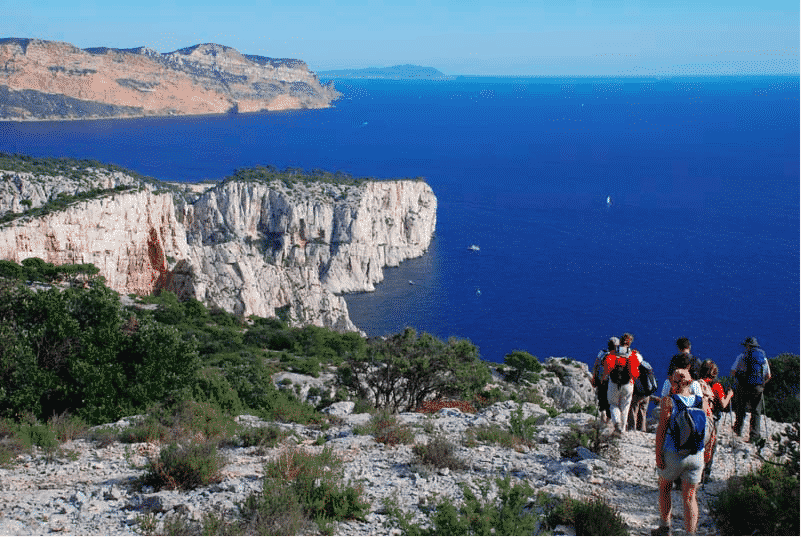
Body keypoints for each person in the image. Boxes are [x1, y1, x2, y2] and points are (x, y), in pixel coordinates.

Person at [653, 369, 712, 536]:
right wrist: (708, 451)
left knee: (665, 487)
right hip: (696, 454)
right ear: (691, 382)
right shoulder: (701, 402)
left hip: (673, 454)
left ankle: (664, 527)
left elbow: (661, 430)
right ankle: (690, 534)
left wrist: (658, 455)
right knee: (690, 497)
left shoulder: (669, 401)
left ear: (673, 383)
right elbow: (710, 428)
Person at [730, 337, 771, 443]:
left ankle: (737, 431)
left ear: (748, 346)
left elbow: (733, 371)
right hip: (758, 388)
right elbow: (768, 375)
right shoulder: (763, 357)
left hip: (743, 387)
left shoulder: (742, 356)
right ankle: (754, 436)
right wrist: (762, 384)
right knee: (756, 411)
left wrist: (738, 380)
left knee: (741, 409)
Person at [699, 359, 734, 484]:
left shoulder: (697, 383)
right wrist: (729, 395)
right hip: (711, 418)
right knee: (710, 446)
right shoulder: (716, 386)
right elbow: (723, 404)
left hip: (697, 417)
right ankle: (705, 475)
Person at [602, 333, 641, 435]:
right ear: (630, 343)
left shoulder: (613, 353)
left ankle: (617, 423)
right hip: (628, 384)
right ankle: (623, 429)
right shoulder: (633, 354)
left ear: (620, 341)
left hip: (614, 383)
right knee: (625, 407)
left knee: (613, 405)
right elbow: (638, 366)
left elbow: (607, 368)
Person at [591, 337, 618, 423]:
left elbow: (595, 366)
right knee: (611, 402)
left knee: (602, 400)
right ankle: (608, 421)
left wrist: (594, 379)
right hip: (612, 382)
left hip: (601, 381)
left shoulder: (602, 354)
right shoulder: (617, 356)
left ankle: (603, 418)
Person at [629, 357, 656, 432]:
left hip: (637, 394)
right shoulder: (647, 366)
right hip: (647, 394)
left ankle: (632, 428)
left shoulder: (635, 367)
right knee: (643, 412)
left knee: (633, 410)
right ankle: (642, 429)